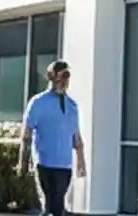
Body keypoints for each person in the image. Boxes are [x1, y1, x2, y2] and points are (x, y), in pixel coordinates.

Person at [18, 60, 87, 216]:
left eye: (67, 76)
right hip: (45, 163)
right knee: (51, 205)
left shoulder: (72, 106)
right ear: (52, 77)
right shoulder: (38, 103)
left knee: (58, 206)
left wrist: (81, 162)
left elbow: (76, 137)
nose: (65, 81)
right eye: (63, 75)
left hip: (65, 165)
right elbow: (26, 135)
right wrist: (23, 161)